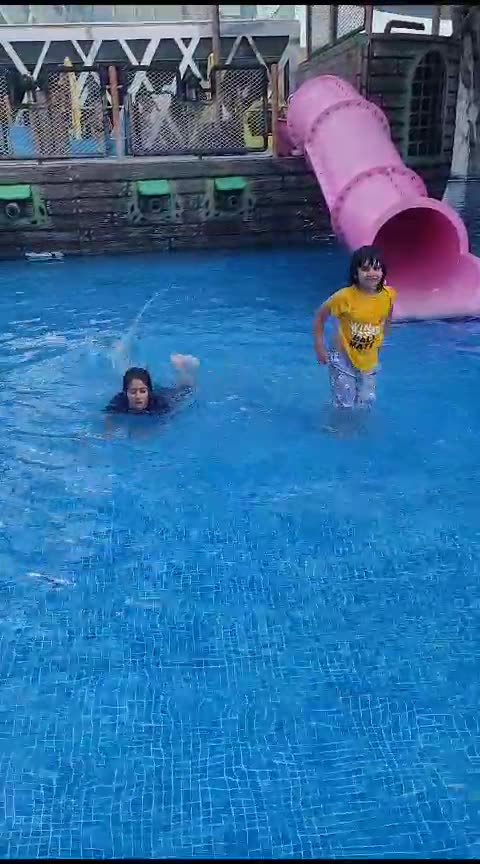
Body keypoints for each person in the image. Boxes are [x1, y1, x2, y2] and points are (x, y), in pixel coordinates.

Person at [313, 246, 396, 408]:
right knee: (345, 402)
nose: (372, 273)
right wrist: (319, 347)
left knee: (367, 399)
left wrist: (385, 332)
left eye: (376, 268)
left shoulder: (387, 294)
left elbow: (389, 310)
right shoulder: (344, 297)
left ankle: (360, 428)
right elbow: (319, 316)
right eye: (365, 269)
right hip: (342, 356)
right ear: (355, 273)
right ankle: (339, 428)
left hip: (368, 355)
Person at [104, 353, 199, 415]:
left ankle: (180, 367)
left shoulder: (159, 404)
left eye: (142, 391)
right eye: (133, 392)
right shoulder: (118, 402)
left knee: (186, 390)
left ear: (149, 391)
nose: (138, 396)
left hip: (165, 396)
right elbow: (107, 417)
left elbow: (164, 424)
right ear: (125, 393)